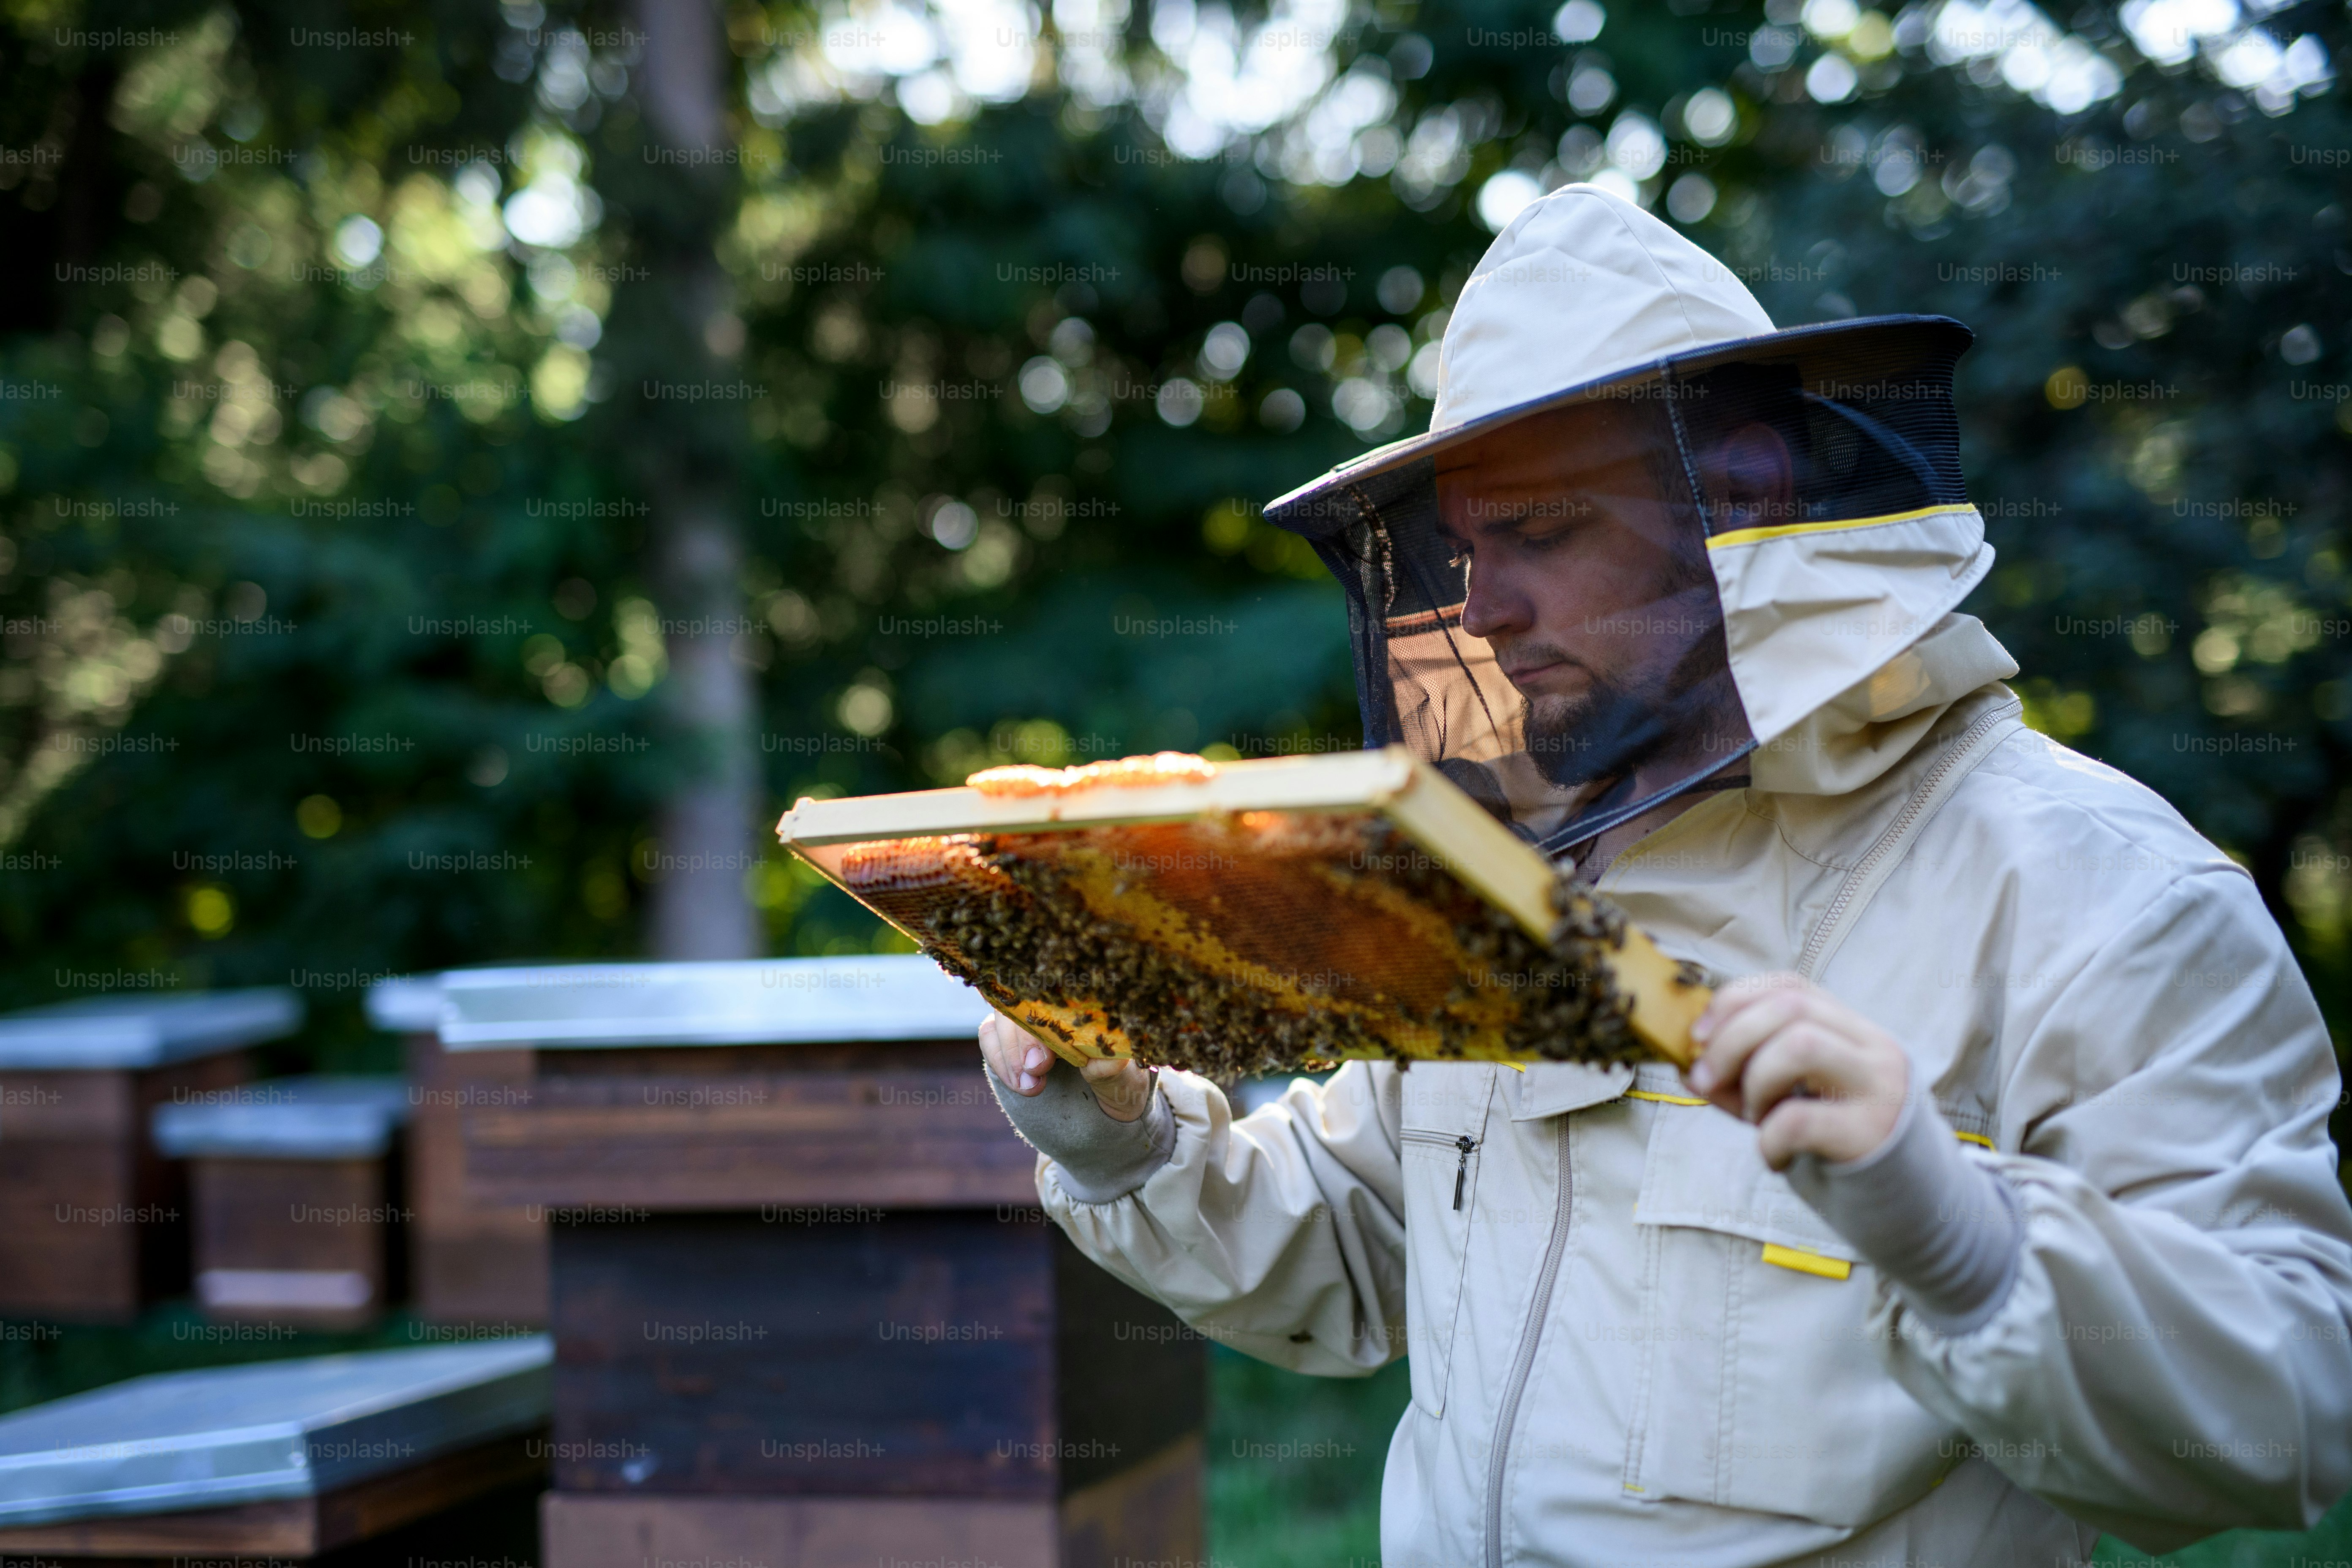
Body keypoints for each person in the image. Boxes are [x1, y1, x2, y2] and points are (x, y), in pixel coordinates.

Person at [978, 182, 2352, 1568]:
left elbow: (2290, 1415)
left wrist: (1963, 1237)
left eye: (1545, 533)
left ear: (1744, 498)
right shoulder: (1522, 875)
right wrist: (1124, 1136)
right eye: (1464, 551)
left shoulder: (2101, 895)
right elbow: (1359, 1241)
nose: (1487, 610)